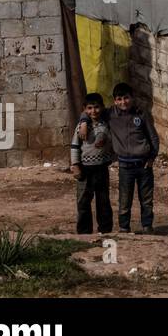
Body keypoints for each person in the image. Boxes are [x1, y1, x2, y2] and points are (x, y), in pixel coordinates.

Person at [108, 83, 159, 234]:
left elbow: (153, 137)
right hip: (125, 167)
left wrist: (152, 157)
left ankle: (147, 227)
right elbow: (90, 112)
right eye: (119, 99)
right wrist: (84, 122)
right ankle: (124, 228)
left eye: (126, 98)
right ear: (115, 101)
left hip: (144, 165)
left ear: (132, 98)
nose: (123, 102)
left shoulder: (141, 113)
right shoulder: (110, 114)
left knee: (147, 199)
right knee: (124, 200)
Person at [70, 93, 113, 235]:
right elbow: (75, 146)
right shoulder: (81, 127)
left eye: (96, 107)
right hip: (85, 170)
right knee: (83, 202)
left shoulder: (106, 122)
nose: (93, 111)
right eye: (89, 108)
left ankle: (105, 230)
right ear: (84, 109)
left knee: (103, 202)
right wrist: (75, 165)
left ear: (101, 107)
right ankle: (84, 232)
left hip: (101, 168)